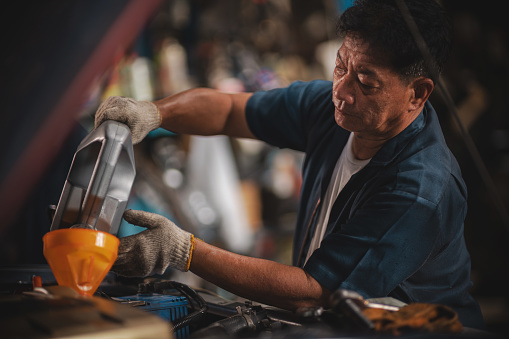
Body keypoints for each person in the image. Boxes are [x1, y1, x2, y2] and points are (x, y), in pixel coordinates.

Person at [94, 0, 484, 329]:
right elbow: (230, 110)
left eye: (366, 82)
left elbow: (314, 291)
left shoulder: (419, 189)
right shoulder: (331, 110)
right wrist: (153, 112)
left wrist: (183, 251)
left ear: (417, 94)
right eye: (341, 66)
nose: (342, 91)